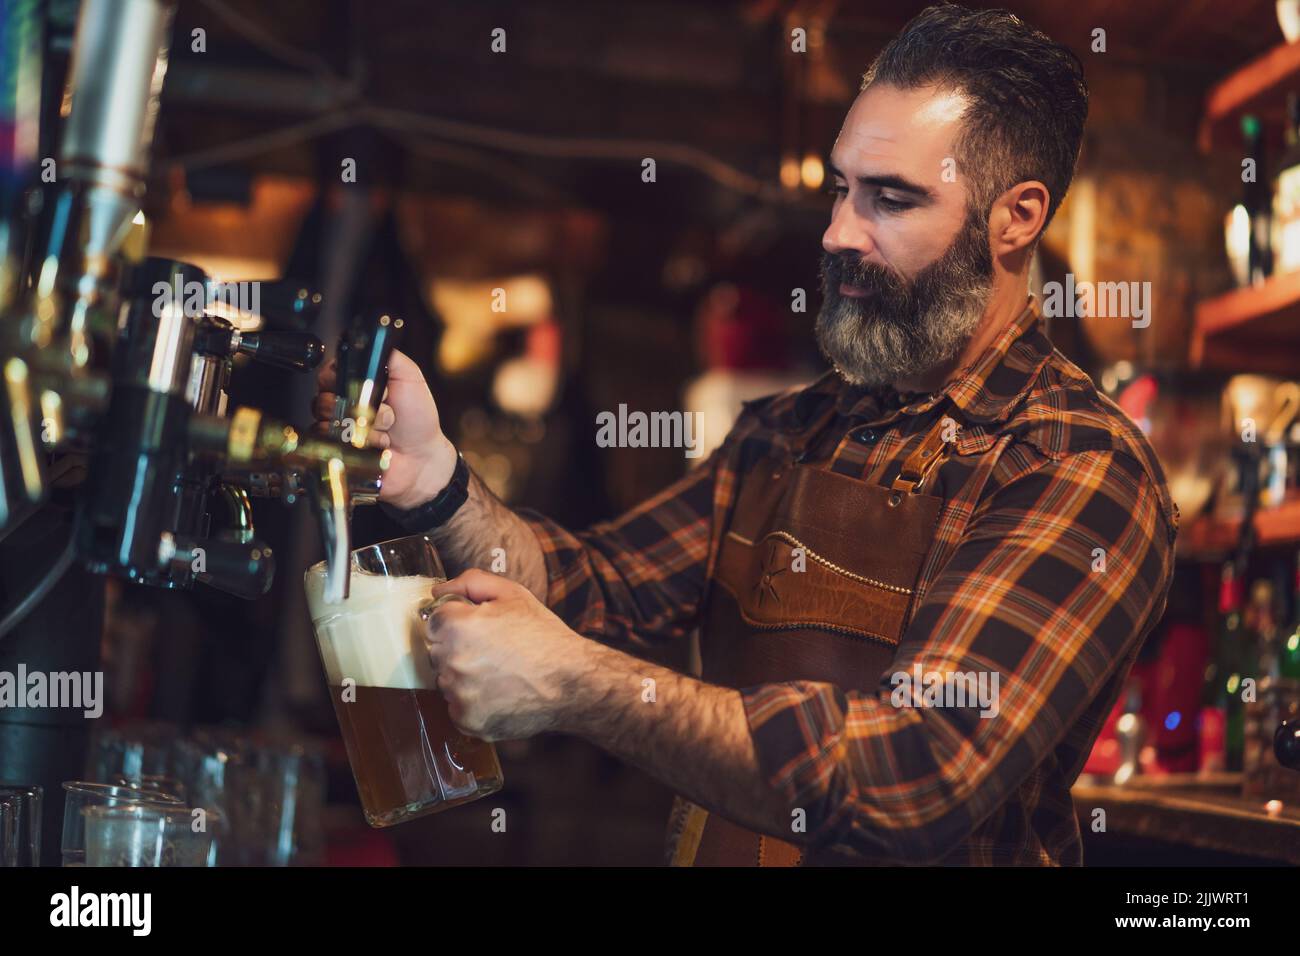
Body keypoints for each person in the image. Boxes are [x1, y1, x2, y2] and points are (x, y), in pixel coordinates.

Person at [313, 4, 1179, 865]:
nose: (839, 232)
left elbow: (914, 774)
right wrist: (436, 480)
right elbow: (596, 588)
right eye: (842, 189)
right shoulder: (795, 430)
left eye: (891, 199)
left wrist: (577, 685)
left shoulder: (1076, 465)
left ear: (1016, 218)